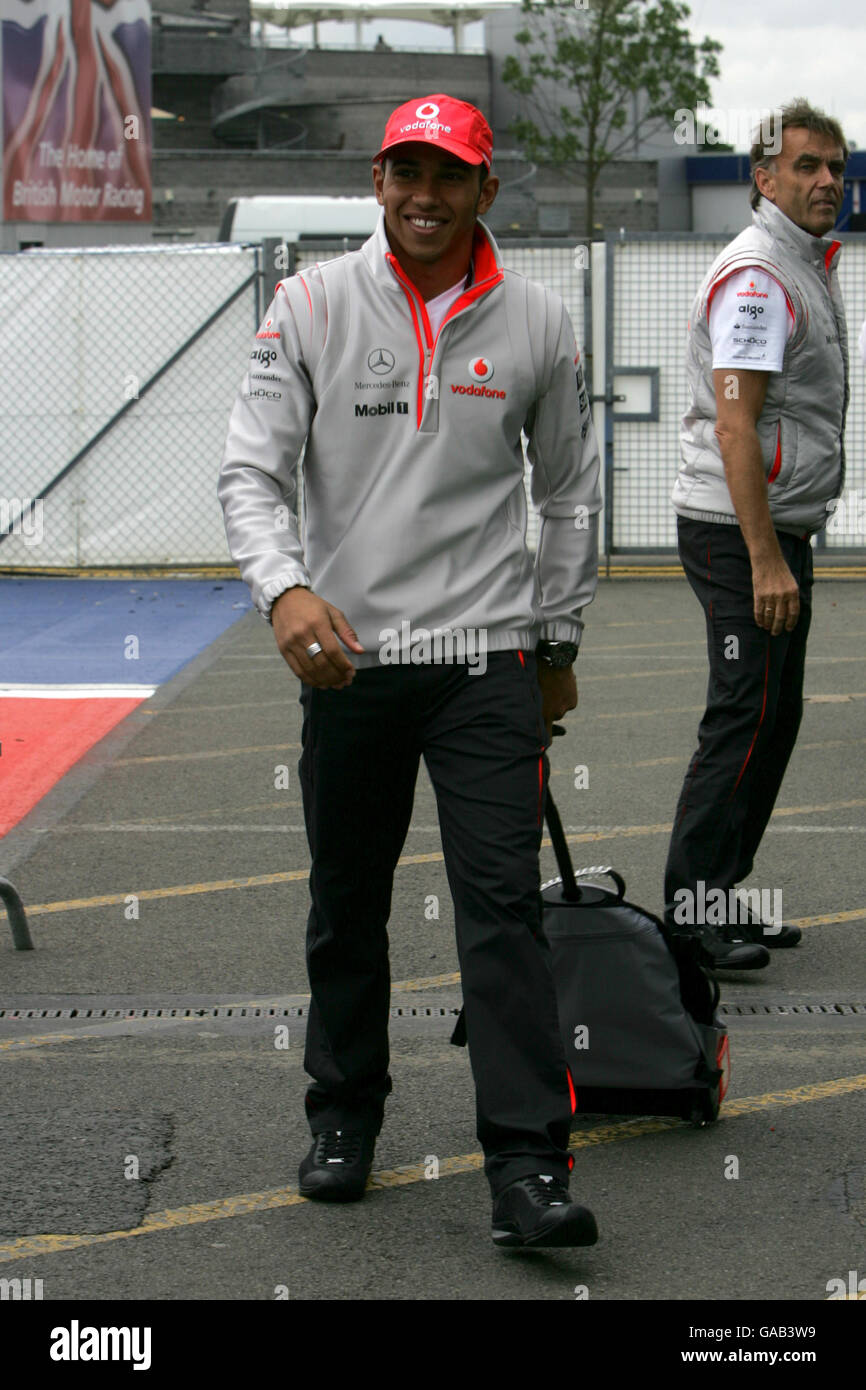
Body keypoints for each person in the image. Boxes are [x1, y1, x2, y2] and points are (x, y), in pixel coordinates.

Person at [218, 94, 602, 1247]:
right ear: (377, 183)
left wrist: (556, 641)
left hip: (484, 658)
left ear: (488, 190)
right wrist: (283, 587)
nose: (424, 195)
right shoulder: (312, 303)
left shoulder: (539, 321)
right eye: (405, 172)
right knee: (347, 906)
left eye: (450, 175)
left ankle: (527, 1168)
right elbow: (250, 470)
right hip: (350, 663)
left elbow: (569, 492)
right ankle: (344, 1117)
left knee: (500, 914)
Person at [665, 99, 850, 971]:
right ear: (764, 178)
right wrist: (765, 555)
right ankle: (691, 914)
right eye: (806, 166)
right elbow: (738, 429)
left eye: (836, 168)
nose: (826, 182)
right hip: (740, 530)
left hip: (774, 527)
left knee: (773, 714)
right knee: (744, 715)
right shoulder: (760, 277)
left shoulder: (805, 263)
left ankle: (720, 893)